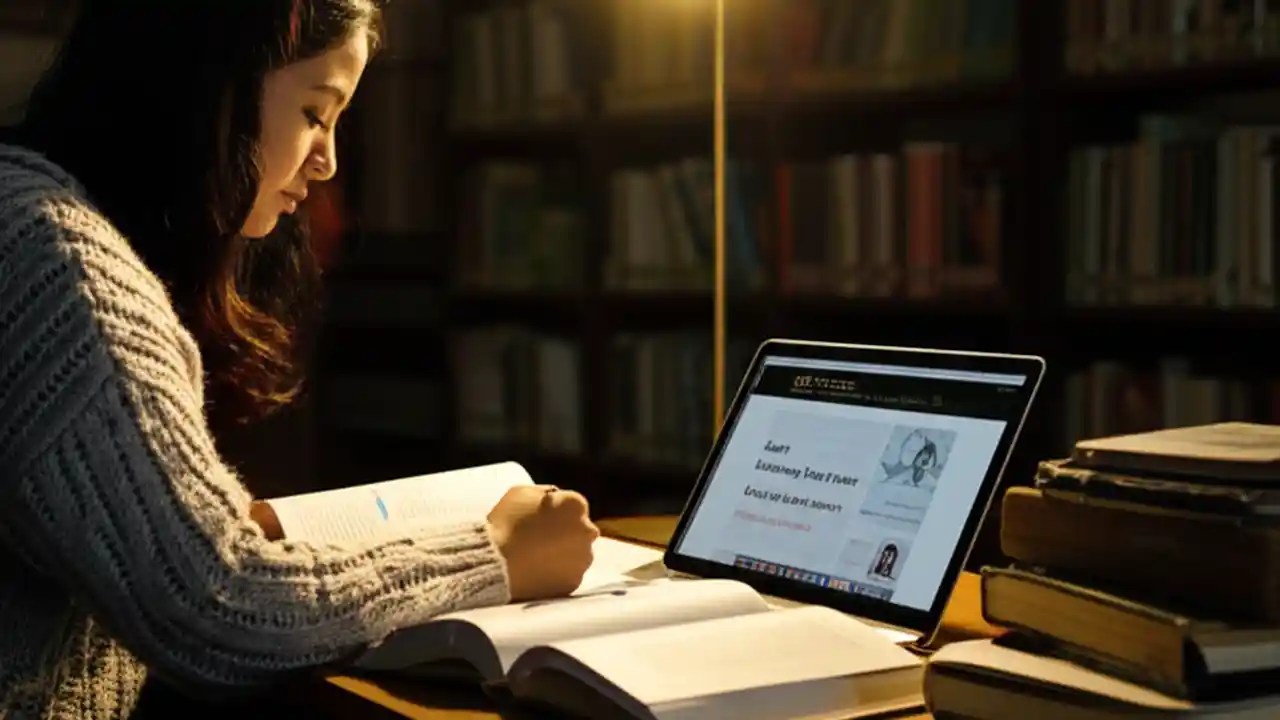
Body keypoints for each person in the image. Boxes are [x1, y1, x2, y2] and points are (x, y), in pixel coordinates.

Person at [0, 2, 599, 719]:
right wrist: (493, 552)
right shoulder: (59, 264)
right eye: (317, 112)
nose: (329, 160)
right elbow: (216, 610)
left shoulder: (26, 214)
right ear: (215, 82)